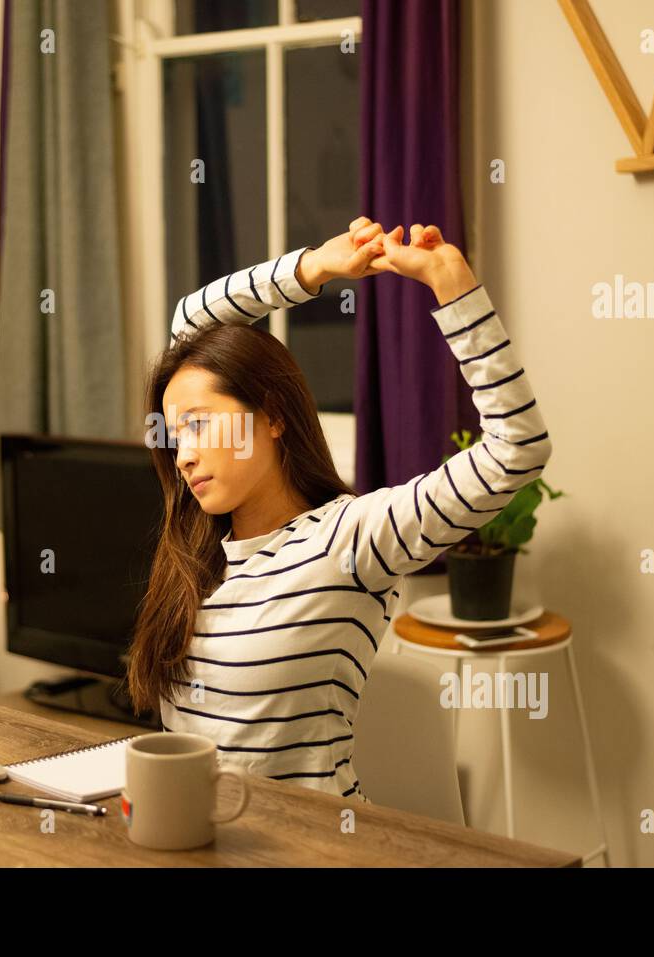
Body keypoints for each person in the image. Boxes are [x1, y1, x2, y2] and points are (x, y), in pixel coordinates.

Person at [126, 218, 553, 801]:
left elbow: (517, 451)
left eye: (199, 426)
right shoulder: (199, 554)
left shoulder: (350, 540)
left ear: (272, 417)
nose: (184, 456)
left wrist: (451, 285)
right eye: (176, 436)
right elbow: (190, 327)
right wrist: (315, 267)